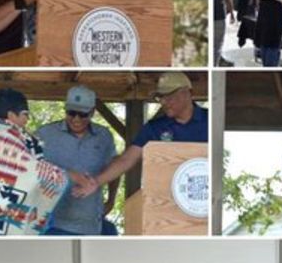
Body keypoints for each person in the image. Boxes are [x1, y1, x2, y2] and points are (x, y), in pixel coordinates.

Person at [0, 88, 76, 236]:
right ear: (11, 115)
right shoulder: (9, 138)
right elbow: (30, 169)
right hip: (2, 226)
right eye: (25, 114)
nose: (27, 120)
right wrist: (60, 176)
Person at [74, 72, 207, 198]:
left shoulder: (212, 120)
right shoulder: (154, 128)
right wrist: (96, 182)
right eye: (160, 97)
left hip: (204, 197)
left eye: (168, 96)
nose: (163, 102)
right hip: (163, 201)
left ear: (187, 93)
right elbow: (127, 160)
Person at [36, 85, 119, 235]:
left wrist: (111, 201)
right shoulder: (44, 134)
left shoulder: (104, 136)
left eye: (82, 114)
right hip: (51, 224)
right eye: (71, 113)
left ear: (93, 112)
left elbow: (115, 167)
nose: (76, 119)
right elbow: (28, 168)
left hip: (91, 225)